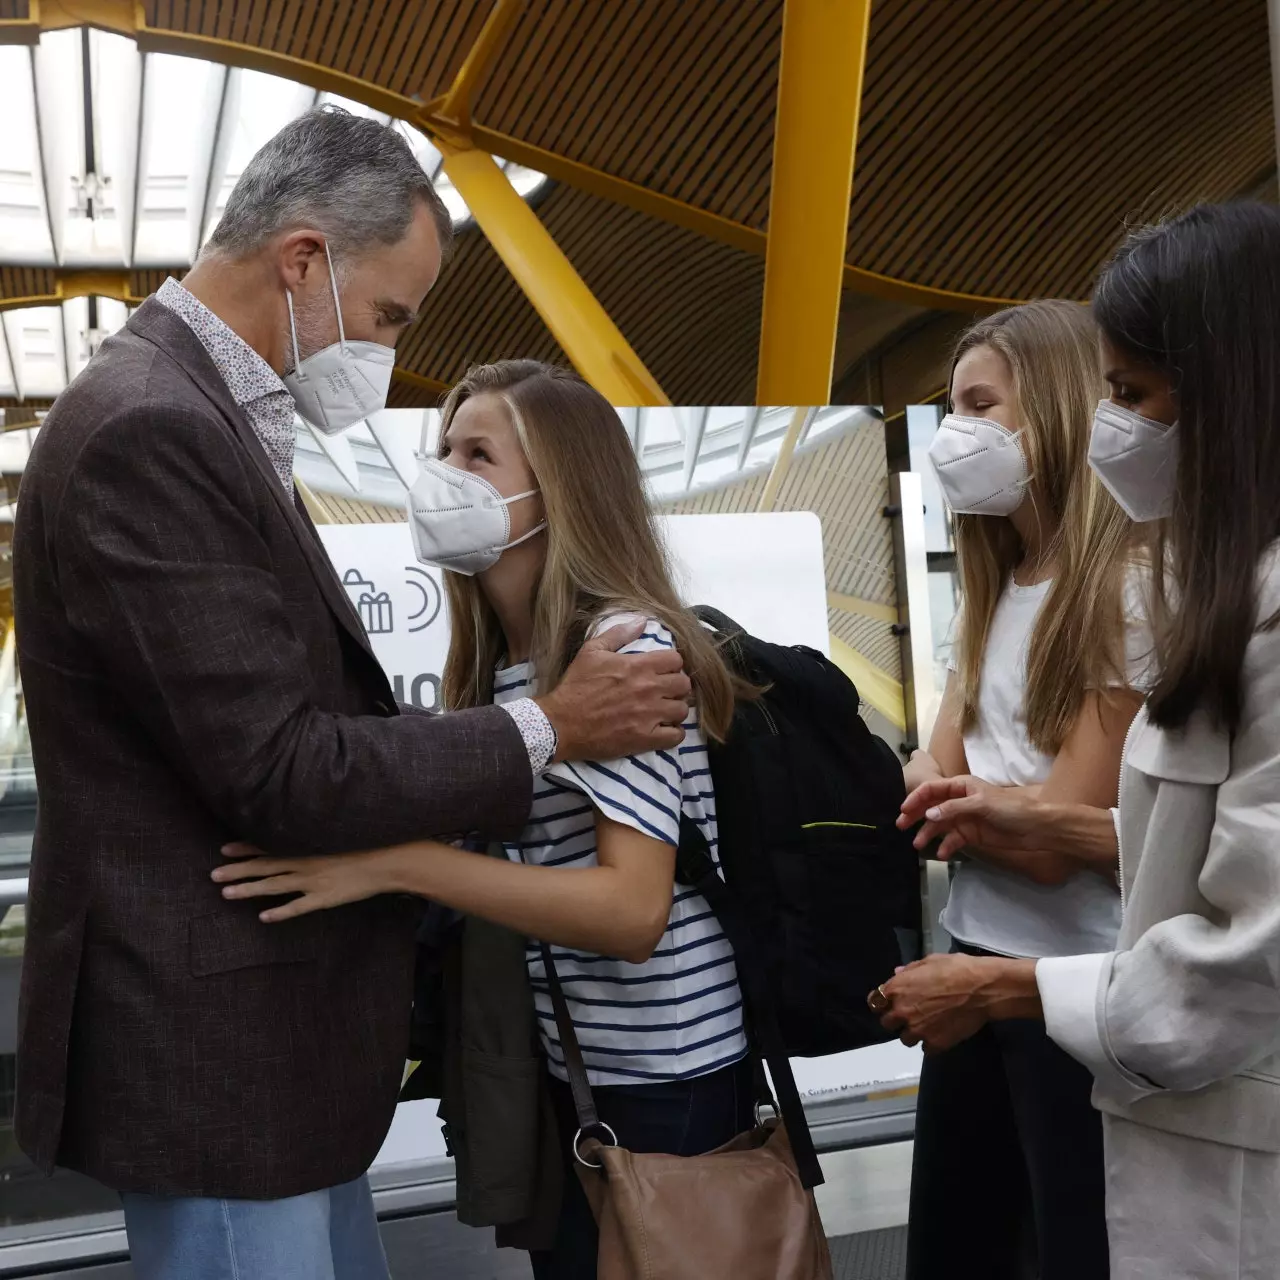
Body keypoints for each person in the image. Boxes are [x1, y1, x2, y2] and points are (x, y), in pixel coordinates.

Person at [13, 111, 691, 1280]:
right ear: (303, 260)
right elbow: (281, 767)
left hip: (264, 1045)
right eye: (389, 315)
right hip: (223, 1052)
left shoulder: (195, 416)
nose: (384, 348)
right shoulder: (155, 427)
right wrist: (551, 725)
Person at [214, 360, 755, 1280]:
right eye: (444, 450)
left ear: (563, 487)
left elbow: (632, 913)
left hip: (668, 1073)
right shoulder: (504, 664)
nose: (445, 475)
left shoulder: (619, 649)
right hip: (575, 1067)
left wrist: (398, 864)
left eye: (478, 454)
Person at [879, 202, 1280, 1280]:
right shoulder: (1200, 593)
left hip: (1099, 996)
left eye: (1134, 394)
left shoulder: (1167, 599)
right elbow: (939, 770)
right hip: (1069, 989)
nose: (1122, 425)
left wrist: (1006, 975)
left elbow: (1243, 943)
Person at [903, 300, 1154, 1280]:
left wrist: (965, 800)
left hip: (1070, 990)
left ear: (1051, 407)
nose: (954, 432)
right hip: (972, 955)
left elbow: (1053, 838)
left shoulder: (1123, 588)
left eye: (978, 403)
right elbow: (931, 775)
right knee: (956, 1245)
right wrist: (970, 801)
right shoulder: (994, 585)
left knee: (1068, 1246)